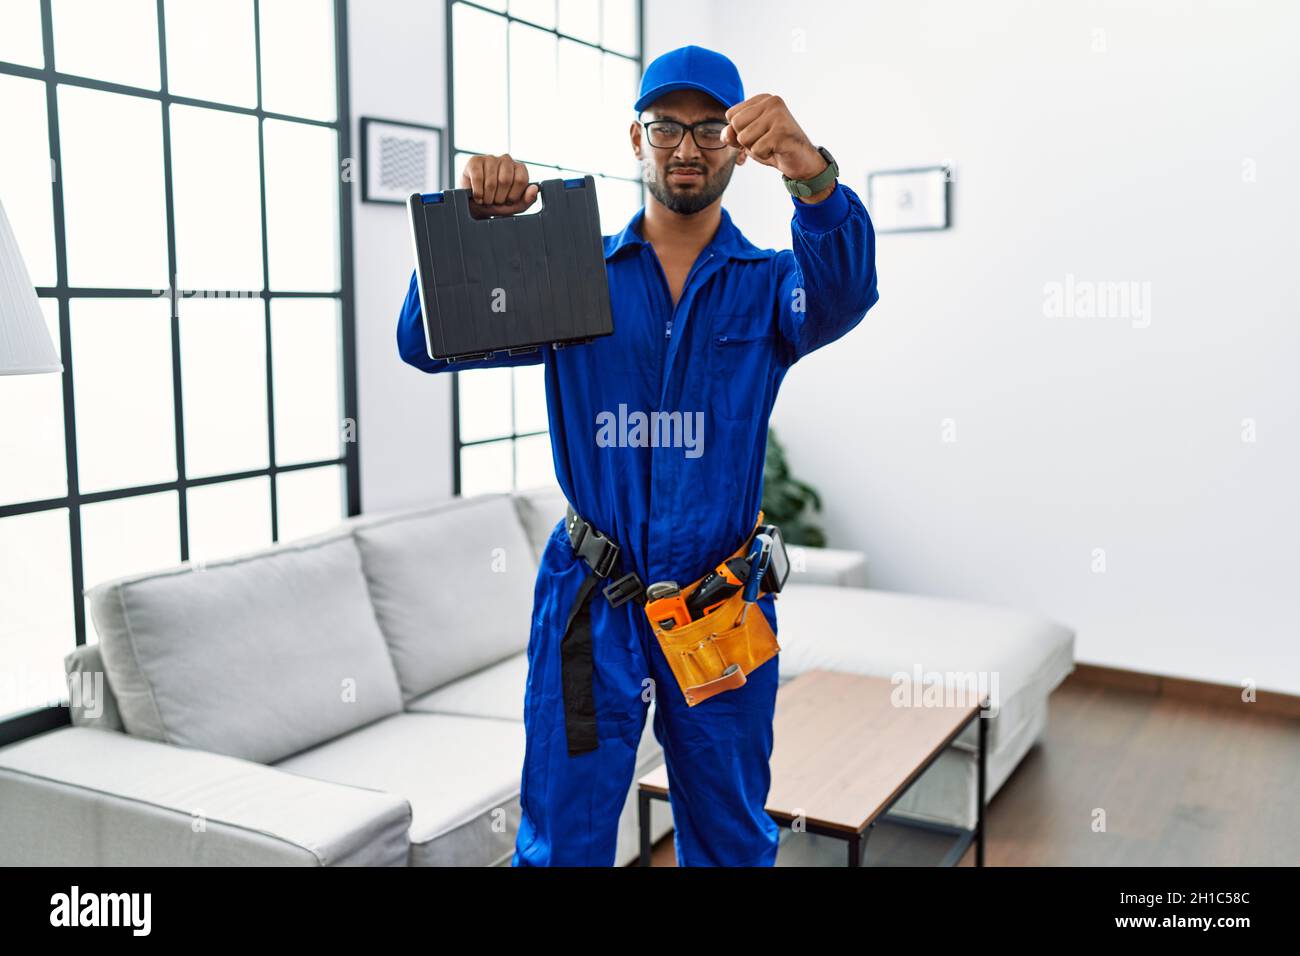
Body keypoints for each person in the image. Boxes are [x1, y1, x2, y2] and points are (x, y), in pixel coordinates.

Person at [397, 44, 879, 866]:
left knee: (730, 838)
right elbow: (425, 343)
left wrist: (809, 168)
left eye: (708, 130)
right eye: (665, 128)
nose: (686, 148)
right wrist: (474, 225)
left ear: (737, 144)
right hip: (592, 603)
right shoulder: (566, 278)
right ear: (636, 140)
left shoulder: (769, 286)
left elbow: (847, 289)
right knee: (565, 842)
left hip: (720, 606)